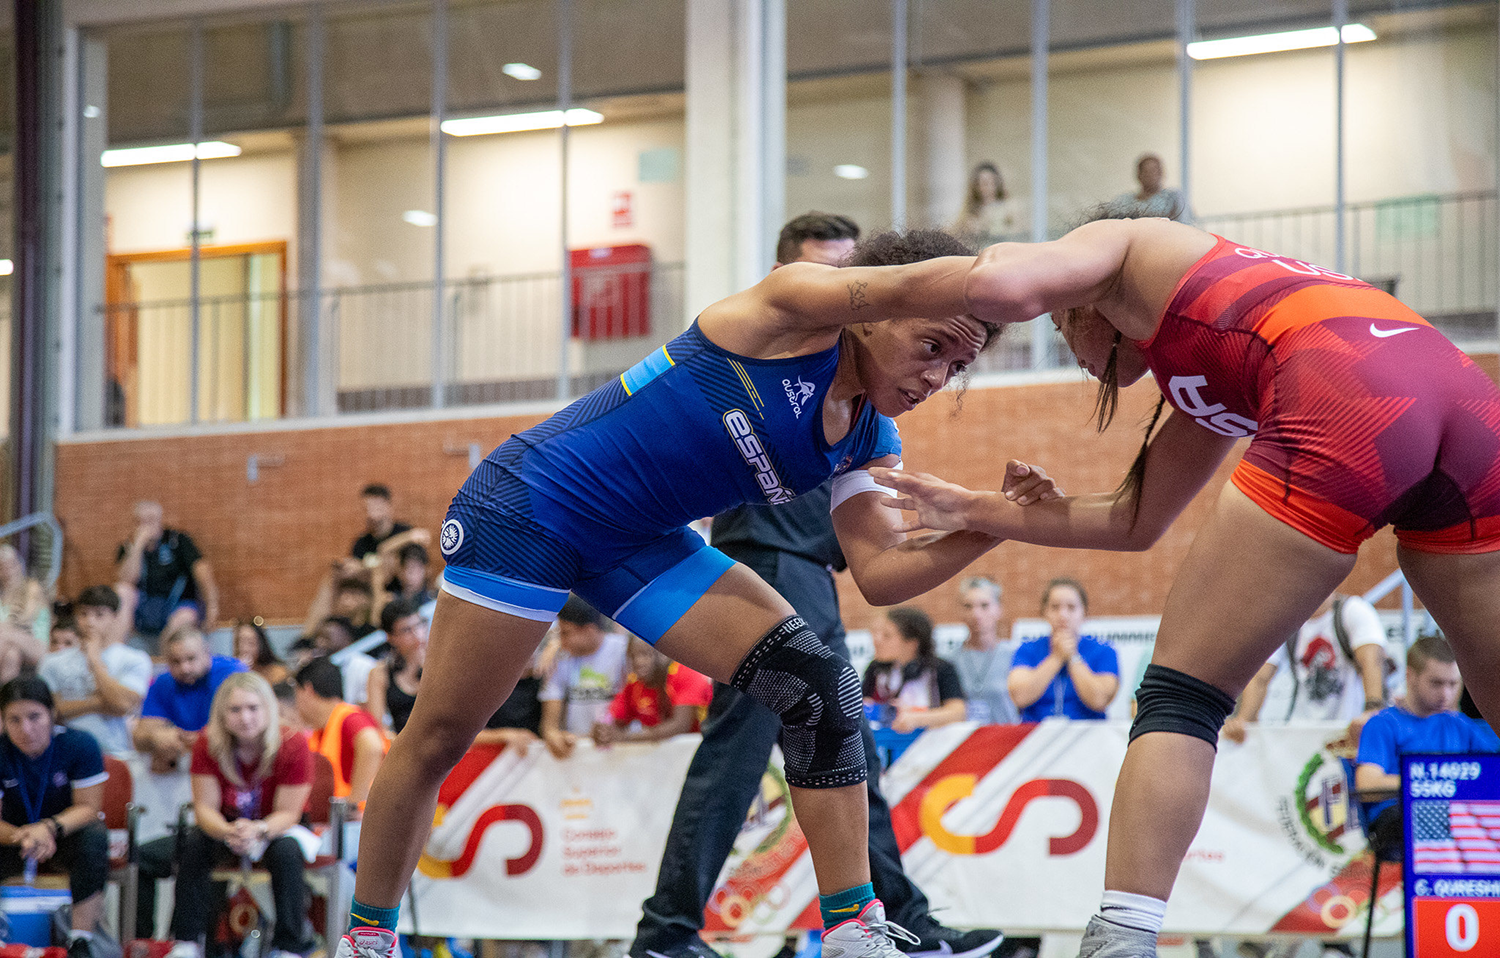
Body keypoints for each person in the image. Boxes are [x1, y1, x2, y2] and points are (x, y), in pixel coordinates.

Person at [334, 225, 1055, 958]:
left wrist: (992, 522)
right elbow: (903, 283)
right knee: (437, 737)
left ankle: (851, 929)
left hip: (640, 542)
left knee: (816, 684)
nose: (937, 379)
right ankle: (367, 938)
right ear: (873, 309)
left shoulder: (869, 435)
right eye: (932, 348)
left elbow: (882, 572)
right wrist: (1063, 274)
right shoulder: (786, 313)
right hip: (533, 505)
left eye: (958, 366)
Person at [871, 214, 1500, 958]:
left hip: (1346, 385)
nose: (1082, 364)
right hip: (1462, 395)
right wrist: (975, 507)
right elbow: (1137, 520)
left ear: (1074, 301)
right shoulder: (1210, 354)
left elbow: (1000, 280)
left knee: (1182, 697)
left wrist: (832, 298)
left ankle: (1121, 943)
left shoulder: (1122, 241)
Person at [633, 213, 1005, 958]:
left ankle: (899, 916)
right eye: (840, 284)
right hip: (762, 560)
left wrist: (992, 518)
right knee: (738, 754)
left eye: (860, 280)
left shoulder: (866, 411)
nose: (853, 297)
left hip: (812, 570)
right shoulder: (769, 344)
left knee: (849, 750)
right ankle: (667, 931)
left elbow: (882, 568)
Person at [173, 672, 316, 958]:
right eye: (235, 709)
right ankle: (186, 942)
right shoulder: (207, 743)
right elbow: (204, 808)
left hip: (278, 825)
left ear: (268, 709)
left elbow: (289, 812)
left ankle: (289, 947)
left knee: (286, 853)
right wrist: (228, 832)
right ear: (221, 714)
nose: (245, 717)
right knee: (194, 843)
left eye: (253, 708)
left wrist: (259, 829)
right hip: (228, 826)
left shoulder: (293, 743)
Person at [0, 676, 111, 958]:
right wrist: (24, 836)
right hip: (15, 838)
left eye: (34, 716)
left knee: (95, 837)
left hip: (64, 835)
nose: (25, 729)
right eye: (14, 720)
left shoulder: (80, 744)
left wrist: (48, 828)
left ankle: (80, 939)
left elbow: (89, 808)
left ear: (52, 713)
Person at [1355, 635, 1500, 844]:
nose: (1446, 694)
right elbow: (1367, 786)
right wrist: (1434, 785)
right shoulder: (1383, 724)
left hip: (1456, 818)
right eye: (1436, 683)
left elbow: (1492, 772)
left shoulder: (1460, 724)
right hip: (1398, 819)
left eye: (1453, 684)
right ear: (1410, 676)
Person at [1222, 593, 1388, 745]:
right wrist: (1244, 720)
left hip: (1348, 728)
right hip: (1301, 731)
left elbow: (1372, 662)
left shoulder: (1353, 611)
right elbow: (1260, 677)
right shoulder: (1287, 619)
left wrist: (1372, 711)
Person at [38, 585, 152, 757]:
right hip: (62, 753)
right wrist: (100, 703)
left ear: (114, 617)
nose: (90, 622)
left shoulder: (135, 659)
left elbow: (123, 706)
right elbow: (49, 713)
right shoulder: (52, 662)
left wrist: (94, 662)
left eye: (99, 614)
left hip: (114, 752)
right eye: (83, 614)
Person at [133, 628, 246, 772]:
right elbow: (140, 736)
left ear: (207, 652)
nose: (185, 668)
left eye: (191, 659)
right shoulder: (163, 683)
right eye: (176, 662)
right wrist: (155, 738)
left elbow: (246, 724)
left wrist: (198, 740)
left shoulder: (232, 674)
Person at [1007, 578, 1119, 722]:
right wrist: (1056, 657)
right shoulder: (1027, 649)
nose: (1063, 615)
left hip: (1088, 736)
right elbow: (1020, 697)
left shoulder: (1104, 651)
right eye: (1055, 607)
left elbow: (1099, 700)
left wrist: (1072, 657)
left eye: (1071, 607)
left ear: (1084, 612)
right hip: (1035, 735)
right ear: (1044, 612)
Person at [116, 500, 220, 648]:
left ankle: (169, 661)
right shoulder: (128, 547)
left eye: (151, 520)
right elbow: (127, 579)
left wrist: (212, 607)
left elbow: (202, 570)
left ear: (159, 520)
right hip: (145, 609)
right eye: (142, 521)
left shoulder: (177, 541)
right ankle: (117, 652)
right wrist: (138, 546)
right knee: (122, 590)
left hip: (178, 606)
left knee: (183, 618)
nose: (147, 525)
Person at [538, 597, 630, 759]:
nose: (562, 641)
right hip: (578, 749)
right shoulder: (560, 658)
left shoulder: (623, 651)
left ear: (588, 629)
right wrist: (553, 734)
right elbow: (550, 721)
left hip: (623, 747)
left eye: (566, 633)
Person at [295, 657, 386, 809]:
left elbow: (373, 746)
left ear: (307, 690)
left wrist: (354, 803)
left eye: (296, 694)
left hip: (358, 822)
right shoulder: (324, 727)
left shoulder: (350, 718)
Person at [863, 607, 967, 733]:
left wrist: (916, 718)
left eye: (887, 636)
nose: (877, 640)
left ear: (912, 643)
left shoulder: (940, 669)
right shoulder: (876, 668)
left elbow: (958, 712)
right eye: (876, 634)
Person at [594, 638, 713, 745]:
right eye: (633, 656)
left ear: (663, 655)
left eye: (645, 654)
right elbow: (612, 720)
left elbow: (680, 726)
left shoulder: (685, 673)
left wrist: (626, 737)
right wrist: (603, 731)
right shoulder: (634, 683)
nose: (638, 662)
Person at [947, 577, 1020, 725]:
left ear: (999, 609)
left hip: (1006, 739)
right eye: (968, 606)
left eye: (984, 605)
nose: (976, 614)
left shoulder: (1015, 656)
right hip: (965, 741)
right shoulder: (949, 661)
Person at [364, 598, 427, 734]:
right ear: (390, 637)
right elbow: (378, 728)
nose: (417, 635)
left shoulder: (440, 659)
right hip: (405, 745)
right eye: (406, 630)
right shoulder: (380, 673)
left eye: (419, 625)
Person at [0, 543, 49, 674]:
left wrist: (4, 627)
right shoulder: (1, 595)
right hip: (10, 643)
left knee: (3, 634)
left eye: (12, 565)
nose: (8, 571)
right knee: (12, 655)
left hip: (34, 643)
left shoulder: (31, 588)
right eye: (2, 567)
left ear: (20, 565)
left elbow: (24, 620)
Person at [1108, 154, 1192, 224]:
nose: (1150, 176)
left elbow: (1183, 224)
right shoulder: (1124, 201)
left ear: (1162, 173)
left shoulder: (1173, 198)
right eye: (1146, 171)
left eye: (1154, 171)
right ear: (1138, 175)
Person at [952, 163, 1019, 246]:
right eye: (984, 183)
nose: (988, 187)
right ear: (976, 186)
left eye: (992, 182)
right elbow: (954, 230)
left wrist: (988, 227)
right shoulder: (970, 209)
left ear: (997, 183)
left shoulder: (1008, 207)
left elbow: (1017, 232)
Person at [236, 619, 291, 686]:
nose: (245, 648)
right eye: (241, 642)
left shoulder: (277, 672)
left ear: (261, 644)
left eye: (251, 643)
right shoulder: (235, 670)